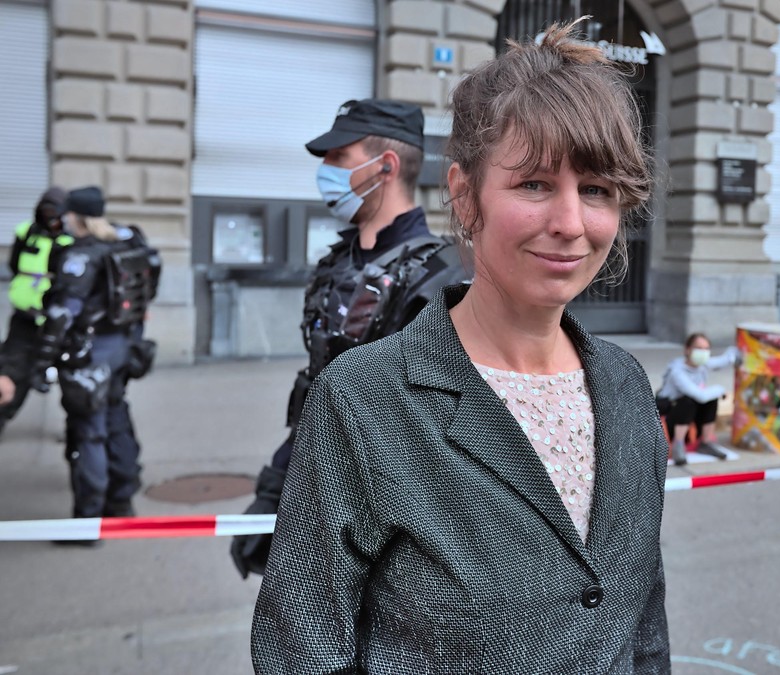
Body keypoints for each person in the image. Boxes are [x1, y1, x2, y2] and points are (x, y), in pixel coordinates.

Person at [250, 21, 669, 672]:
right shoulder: (365, 399)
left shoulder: (624, 385)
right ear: (464, 194)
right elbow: (301, 651)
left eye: (596, 189)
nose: (570, 222)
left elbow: (642, 626)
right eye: (534, 184)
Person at [228, 98, 471, 578]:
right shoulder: (338, 265)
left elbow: (430, 436)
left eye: (339, 158)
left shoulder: (442, 278)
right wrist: (273, 491)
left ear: (386, 166)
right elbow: (317, 396)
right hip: (315, 491)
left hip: (391, 533)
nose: (325, 170)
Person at [0, 187, 159, 538]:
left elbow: (61, 314)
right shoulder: (125, 241)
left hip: (89, 355)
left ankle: (86, 524)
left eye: (68, 215)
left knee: (88, 434)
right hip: (121, 348)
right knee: (117, 421)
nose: (64, 221)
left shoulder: (82, 256)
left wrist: (42, 363)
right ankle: (121, 505)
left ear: (77, 217)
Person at [0, 188, 72, 434]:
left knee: (68, 375)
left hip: (56, 320)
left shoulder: (70, 242)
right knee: (11, 370)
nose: (51, 217)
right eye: (47, 211)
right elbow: (14, 264)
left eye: (55, 212)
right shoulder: (26, 232)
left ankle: (74, 428)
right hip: (25, 315)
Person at [657, 332, 737, 465]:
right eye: (699, 348)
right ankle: (678, 445)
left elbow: (724, 360)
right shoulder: (677, 371)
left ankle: (705, 443)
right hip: (669, 420)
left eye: (706, 349)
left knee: (711, 399)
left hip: (690, 420)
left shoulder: (702, 364)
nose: (703, 352)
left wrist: (736, 350)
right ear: (687, 350)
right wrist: (721, 389)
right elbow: (699, 395)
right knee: (689, 400)